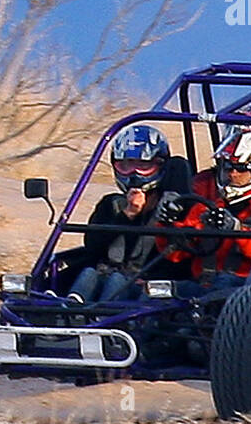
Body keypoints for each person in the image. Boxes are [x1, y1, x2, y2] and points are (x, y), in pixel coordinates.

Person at [155, 124, 251, 298]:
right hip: (203, 286)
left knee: (227, 283)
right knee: (154, 293)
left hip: (244, 292)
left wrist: (238, 231)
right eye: (228, 167)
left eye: (242, 168)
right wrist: (166, 226)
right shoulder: (206, 208)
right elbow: (175, 254)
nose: (233, 174)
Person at [67, 124, 173, 302]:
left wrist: (151, 278)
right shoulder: (111, 204)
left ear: (159, 166)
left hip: (148, 284)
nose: (134, 173)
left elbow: (178, 256)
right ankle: (70, 311)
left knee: (117, 280)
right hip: (107, 274)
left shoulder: (173, 207)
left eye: (143, 165)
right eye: (127, 165)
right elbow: (92, 246)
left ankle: (103, 318)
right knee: (89, 273)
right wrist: (127, 215)